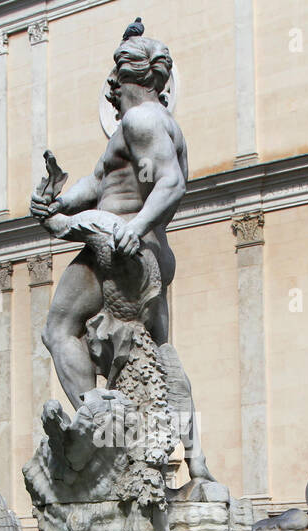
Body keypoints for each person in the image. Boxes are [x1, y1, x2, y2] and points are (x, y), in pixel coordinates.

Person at [30, 28, 214, 485]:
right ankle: (197, 463)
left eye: (114, 75)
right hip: (152, 255)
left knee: (58, 329)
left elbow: (171, 184)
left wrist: (132, 227)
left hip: (119, 246)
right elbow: (98, 183)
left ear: (125, 77)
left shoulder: (142, 121)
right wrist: (57, 206)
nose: (110, 86)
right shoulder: (147, 127)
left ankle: (102, 436)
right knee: (161, 354)